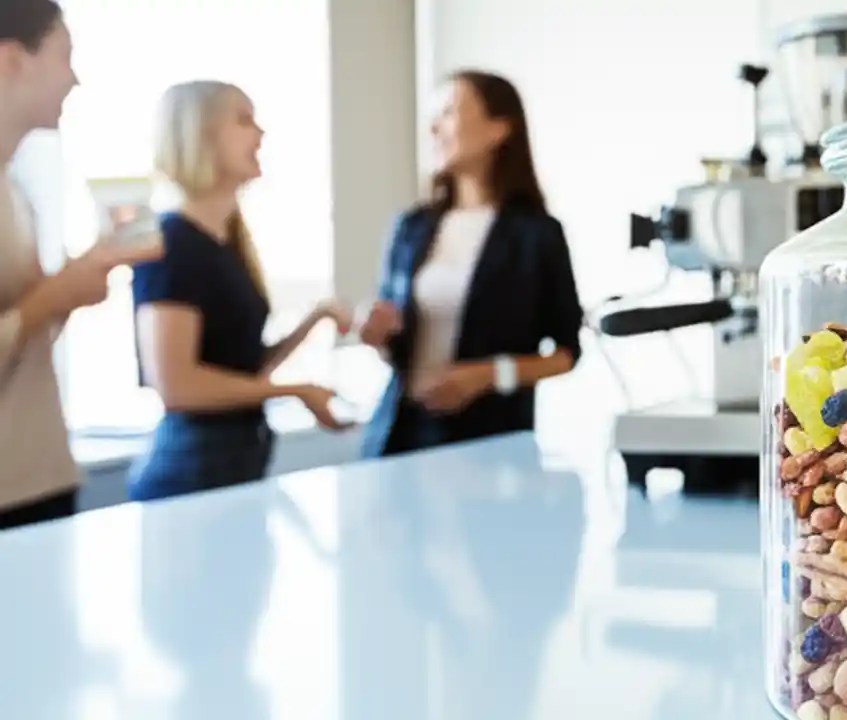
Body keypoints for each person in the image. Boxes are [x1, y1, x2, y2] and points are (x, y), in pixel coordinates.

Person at [129, 80, 350, 501]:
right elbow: (177, 386)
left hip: (235, 460)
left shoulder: (227, 242)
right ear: (202, 134)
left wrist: (316, 317)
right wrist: (296, 391)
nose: (260, 134)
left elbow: (244, 372)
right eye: (244, 120)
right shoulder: (172, 241)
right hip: (191, 472)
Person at [357, 70, 583, 457]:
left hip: (491, 440)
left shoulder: (537, 235)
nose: (433, 128)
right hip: (401, 433)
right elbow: (396, 346)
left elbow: (566, 354)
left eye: (448, 113)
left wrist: (486, 376)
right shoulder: (410, 227)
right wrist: (377, 333)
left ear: (498, 129)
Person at [0, 0, 147, 529]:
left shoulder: (16, 190)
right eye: (65, 57)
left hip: (39, 479)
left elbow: (26, 336)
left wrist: (77, 283)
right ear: (12, 60)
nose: (75, 79)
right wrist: (54, 297)